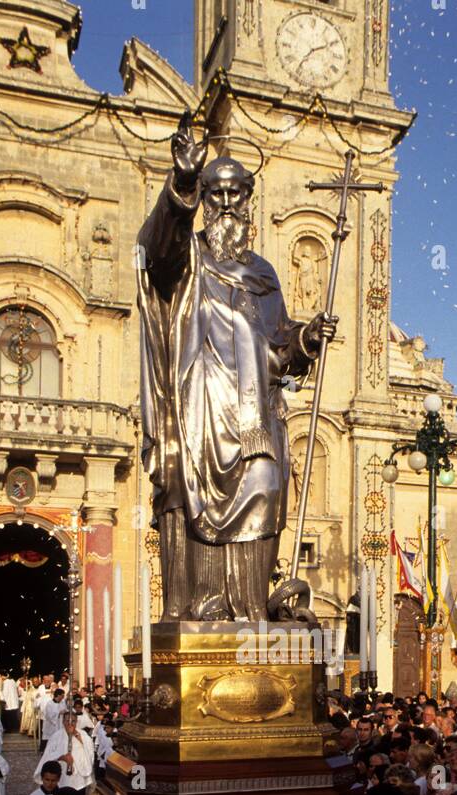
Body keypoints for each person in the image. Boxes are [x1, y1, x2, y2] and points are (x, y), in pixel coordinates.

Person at [137, 113, 336, 622]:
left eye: (236, 194)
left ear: (248, 200)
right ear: (203, 200)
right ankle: (206, 605)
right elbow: (153, 252)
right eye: (215, 193)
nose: (226, 204)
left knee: (266, 488)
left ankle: (250, 612)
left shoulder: (264, 272)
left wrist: (305, 339)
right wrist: (180, 182)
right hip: (199, 413)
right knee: (193, 494)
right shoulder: (187, 256)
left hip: (254, 419)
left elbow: (278, 349)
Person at [34, 712, 95, 792]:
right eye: (67, 721)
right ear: (63, 722)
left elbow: (89, 751)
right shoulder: (56, 736)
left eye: (73, 721)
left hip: (79, 778)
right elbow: (47, 755)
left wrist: (76, 735)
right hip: (61, 778)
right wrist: (62, 757)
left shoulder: (83, 735)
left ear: (76, 722)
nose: (70, 723)